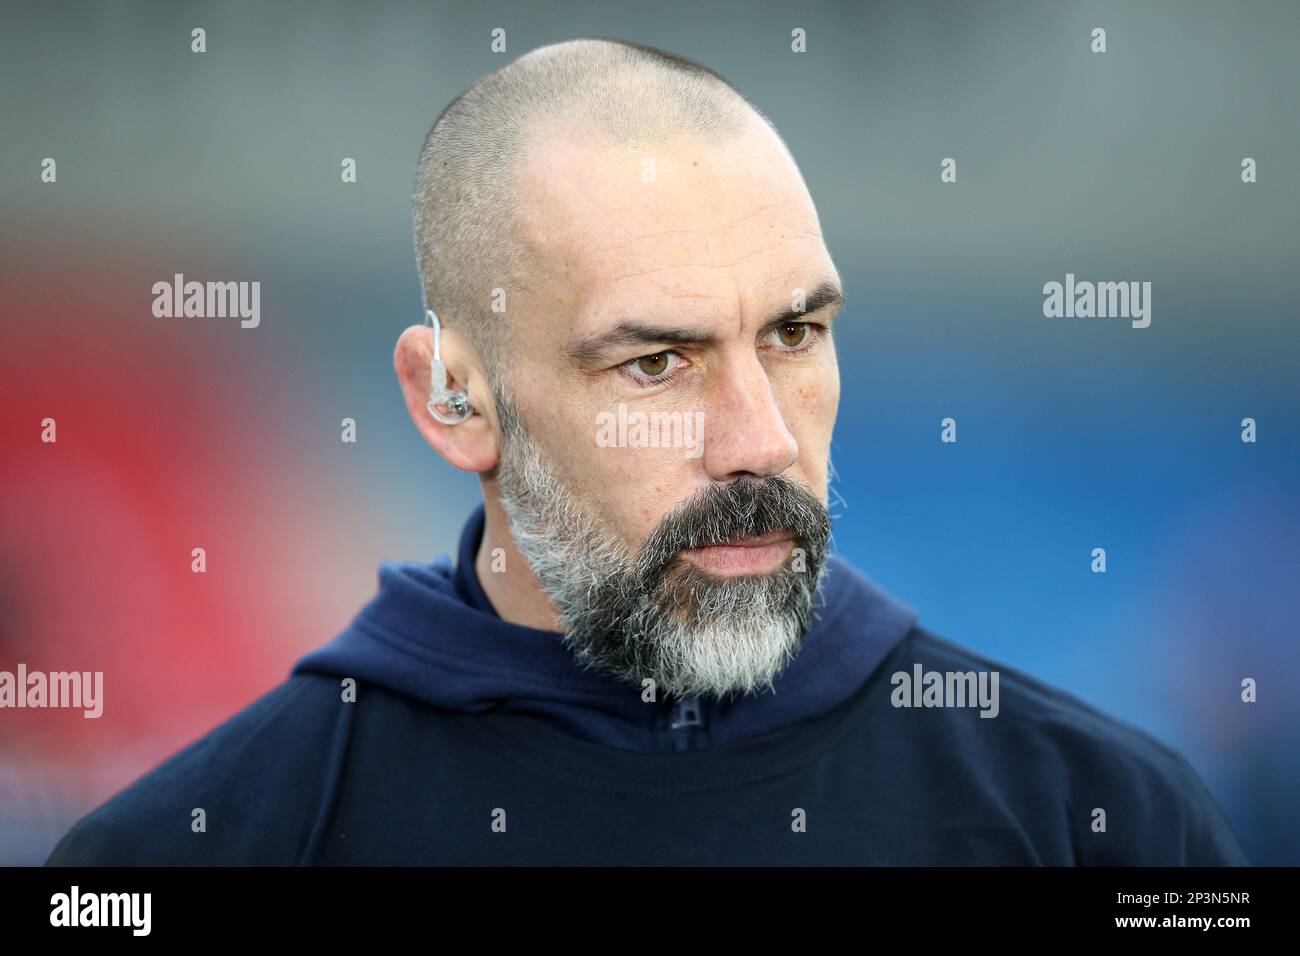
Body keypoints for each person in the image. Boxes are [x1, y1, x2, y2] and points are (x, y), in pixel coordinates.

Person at [45, 37, 1247, 866]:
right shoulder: (186, 851)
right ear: (453, 399)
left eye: (793, 333)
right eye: (655, 362)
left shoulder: (1106, 822)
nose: (759, 442)